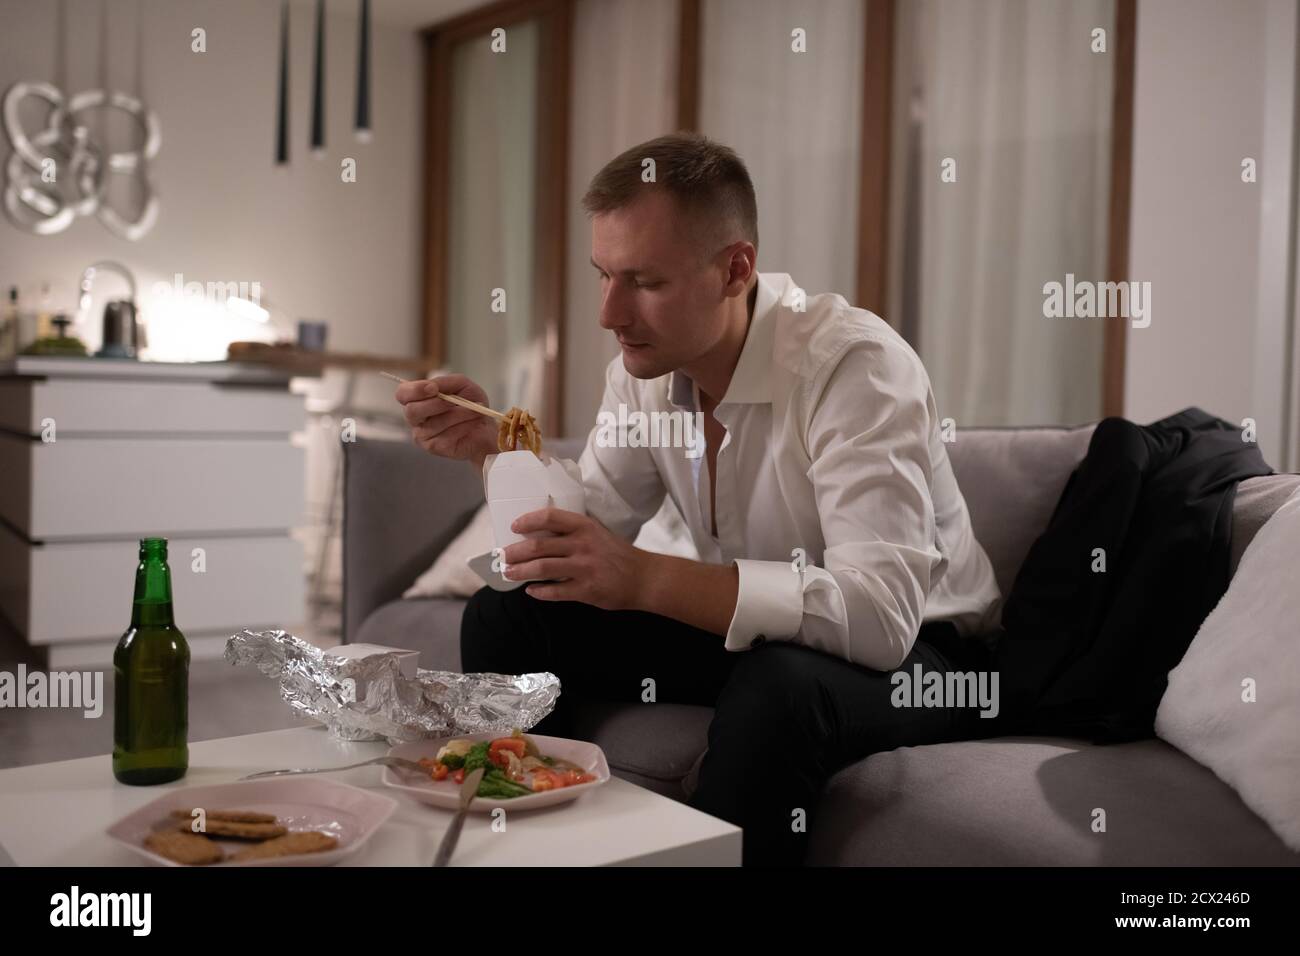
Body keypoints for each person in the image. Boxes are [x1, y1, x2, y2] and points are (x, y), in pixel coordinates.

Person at [396, 132, 1003, 866]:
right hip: (769, 636)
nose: (609, 314)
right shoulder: (646, 367)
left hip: (932, 656)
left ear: (735, 270)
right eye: (604, 275)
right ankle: (515, 842)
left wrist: (647, 577)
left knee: (781, 688)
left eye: (644, 282)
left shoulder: (856, 369)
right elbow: (584, 533)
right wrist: (495, 453)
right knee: (511, 611)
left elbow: (879, 619)